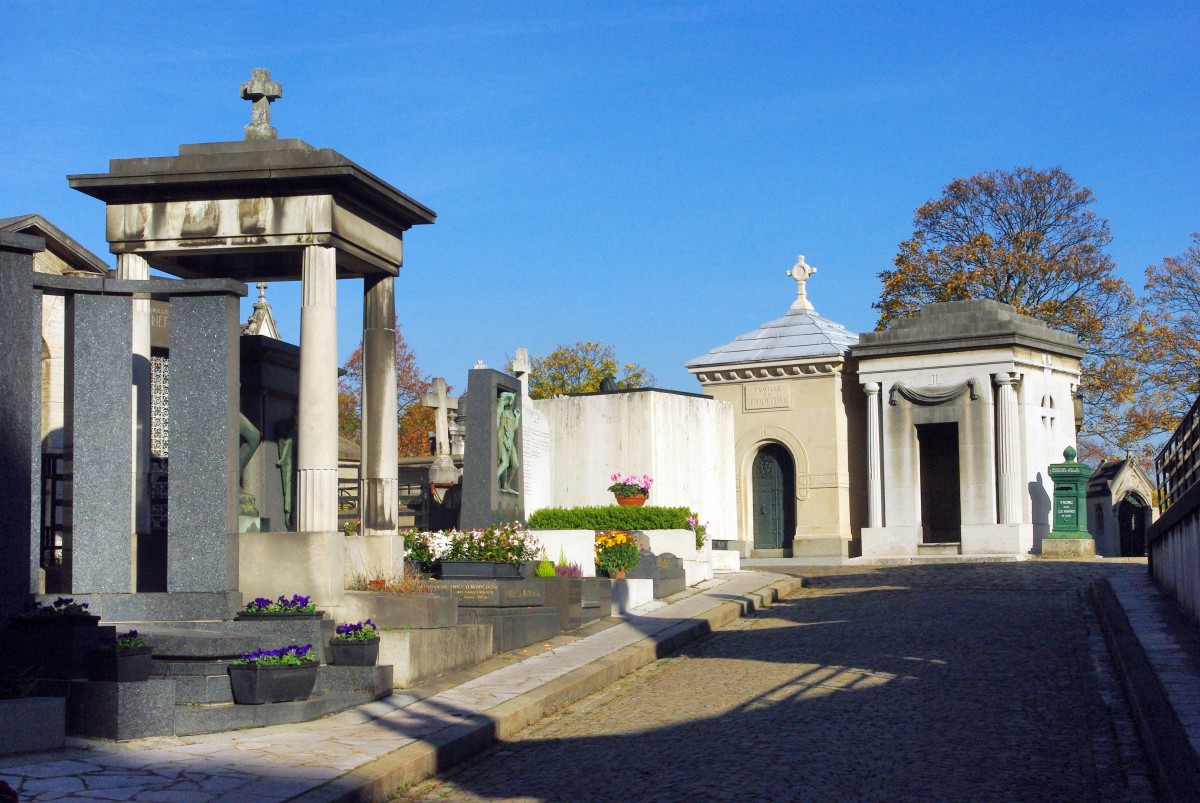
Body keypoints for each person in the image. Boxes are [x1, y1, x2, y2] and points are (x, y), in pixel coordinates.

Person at [495, 391, 521, 494]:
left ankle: (507, 486)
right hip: (503, 440)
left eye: (512, 400)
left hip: (510, 441)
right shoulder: (501, 412)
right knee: (505, 463)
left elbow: (513, 428)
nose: (511, 402)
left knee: (515, 465)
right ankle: (493, 483)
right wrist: (506, 443)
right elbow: (499, 428)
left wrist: (517, 417)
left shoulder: (511, 413)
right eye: (509, 400)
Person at [276, 417, 297, 528]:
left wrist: (281, 460)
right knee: (288, 490)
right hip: (289, 467)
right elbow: (284, 452)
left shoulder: (293, 439)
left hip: (292, 467)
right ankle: (288, 514)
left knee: (291, 491)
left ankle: (290, 514)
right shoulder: (290, 439)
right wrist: (281, 460)